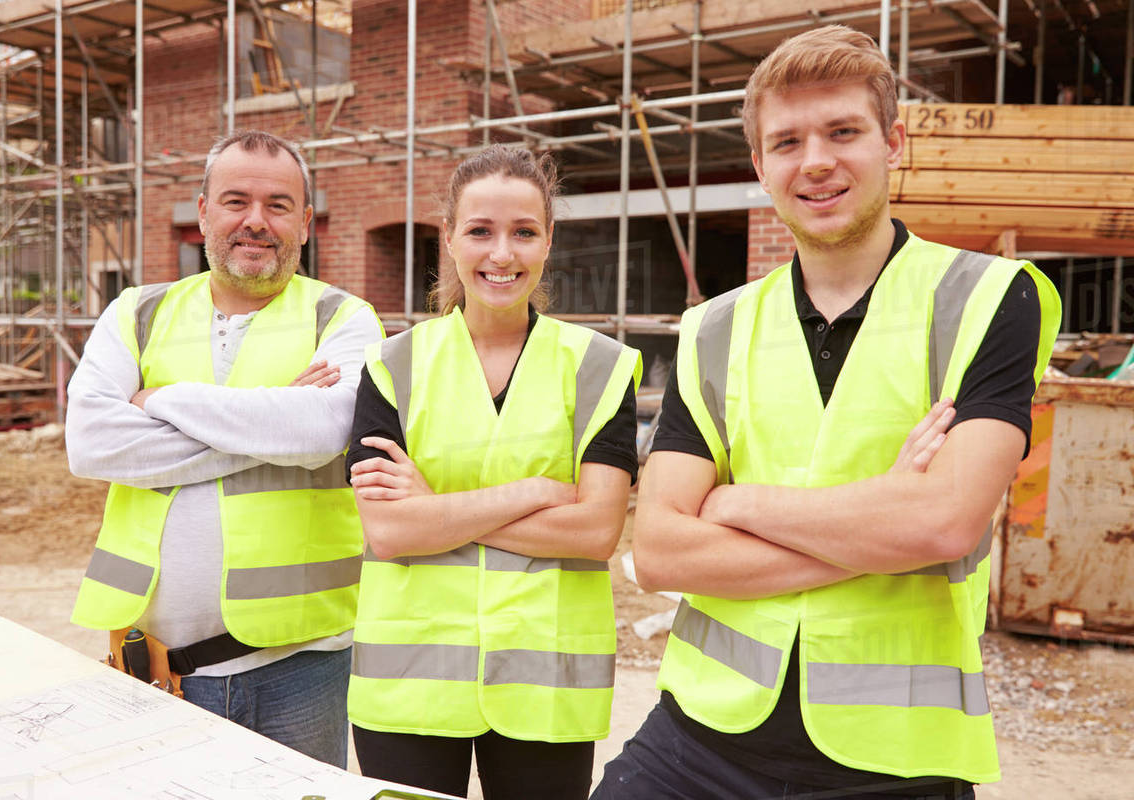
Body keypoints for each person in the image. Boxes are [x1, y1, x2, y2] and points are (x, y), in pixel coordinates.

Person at [593, 25, 1061, 800]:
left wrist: (738, 503)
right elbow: (663, 552)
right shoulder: (715, 327)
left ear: (893, 142)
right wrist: (884, 521)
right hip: (701, 737)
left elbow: (944, 526)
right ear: (760, 166)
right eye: (787, 142)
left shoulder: (987, 298)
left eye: (843, 131)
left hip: (896, 758)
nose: (815, 160)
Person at [66, 130, 382, 767]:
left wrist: (157, 400)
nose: (256, 222)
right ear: (204, 210)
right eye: (236, 201)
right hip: (151, 663)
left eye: (278, 205)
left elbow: (326, 433)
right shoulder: (137, 312)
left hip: (300, 667)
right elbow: (91, 443)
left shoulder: (343, 318)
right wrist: (276, 424)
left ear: (306, 221)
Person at [344, 145, 641, 800]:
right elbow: (389, 531)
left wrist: (439, 512)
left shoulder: (599, 367)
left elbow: (595, 531)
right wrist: (534, 493)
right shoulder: (392, 366)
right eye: (480, 231)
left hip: (546, 692)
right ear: (448, 237)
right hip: (408, 691)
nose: (501, 255)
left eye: (523, 232)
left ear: (547, 240)